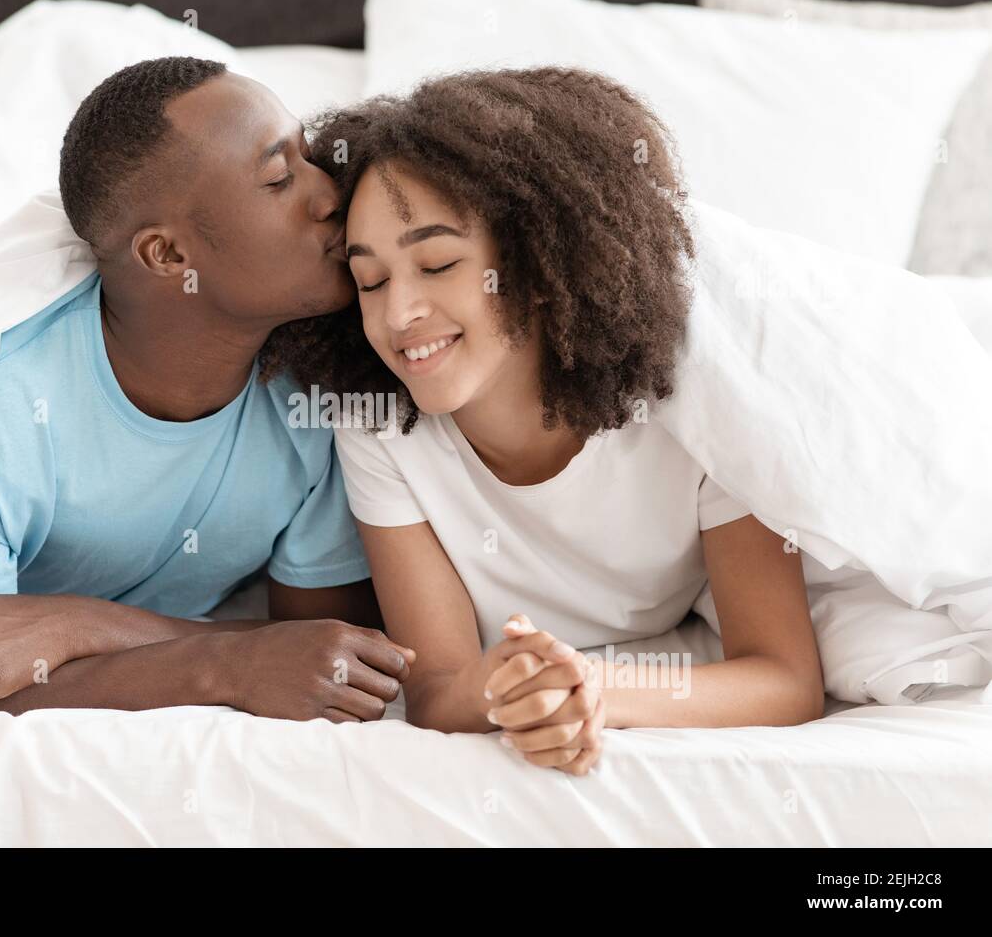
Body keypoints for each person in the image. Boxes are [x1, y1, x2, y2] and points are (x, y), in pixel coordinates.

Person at [262, 67, 825, 776]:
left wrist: (589, 689)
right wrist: (514, 691)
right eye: (370, 280)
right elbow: (437, 690)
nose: (398, 315)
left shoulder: (691, 401)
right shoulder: (380, 426)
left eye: (437, 263)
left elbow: (786, 678)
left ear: (535, 262)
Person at [0, 57, 417, 724]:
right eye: (279, 178)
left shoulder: (323, 394)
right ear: (168, 257)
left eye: (307, 156)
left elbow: (320, 648)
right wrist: (222, 664)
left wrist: (75, 625)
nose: (330, 195)